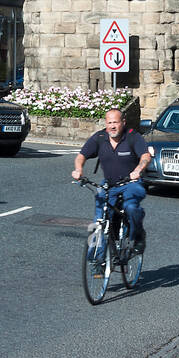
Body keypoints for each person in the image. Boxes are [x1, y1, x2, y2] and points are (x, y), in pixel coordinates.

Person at [72, 107, 151, 256]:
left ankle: (139, 235)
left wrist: (138, 170)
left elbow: (146, 156)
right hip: (109, 184)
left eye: (116, 122)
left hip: (131, 183)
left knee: (131, 207)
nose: (112, 126)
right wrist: (78, 170)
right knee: (99, 219)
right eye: (109, 123)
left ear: (123, 122)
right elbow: (81, 156)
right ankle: (95, 259)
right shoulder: (100, 137)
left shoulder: (133, 137)